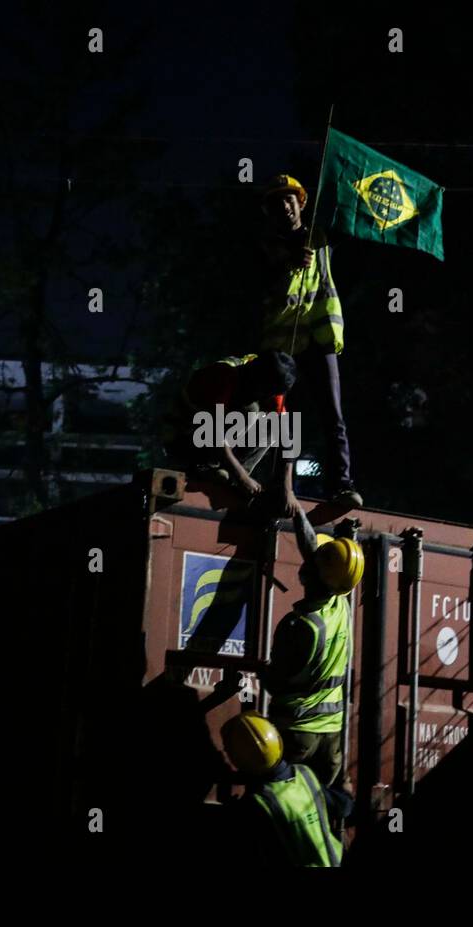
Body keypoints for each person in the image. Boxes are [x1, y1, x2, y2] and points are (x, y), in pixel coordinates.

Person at [258, 174, 362, 512]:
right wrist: (288, 263)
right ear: (270, 212)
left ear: (301, 202)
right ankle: (278, 486)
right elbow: (262, 288)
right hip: (285, 347)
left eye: (290, 199)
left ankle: (341, 487)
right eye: (277, 203)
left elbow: (345, 216)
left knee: (334, 416)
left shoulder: (320, 235)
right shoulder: (266, 245)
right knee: (284, 419)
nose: (285, 206)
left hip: (319, 341)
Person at [262, 509, 364, 790]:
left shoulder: (299, 626)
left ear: (313, 575)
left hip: (297, 736)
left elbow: (275, 682)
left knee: (284, 806)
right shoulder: (341, 603)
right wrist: (296, 512)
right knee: (317, 810)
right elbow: (314, 554)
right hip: (331, 736)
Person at [164, 351, 301, 514]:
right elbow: (214, 431)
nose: (265, 396)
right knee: (251, 410)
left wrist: (288, 490)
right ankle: (207, 468)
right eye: (264, 391)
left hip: (212, 442)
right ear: (255, 376)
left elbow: (287, 437)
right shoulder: (223, 374)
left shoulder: (269, 386)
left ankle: (229, 476)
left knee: (273, 423)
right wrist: (242, 477)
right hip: (182, 440)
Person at [220, 711, 351, 867]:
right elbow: (345, 807)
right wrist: (346, 791)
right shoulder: (305, 776)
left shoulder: (255, 803)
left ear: (238, 759)